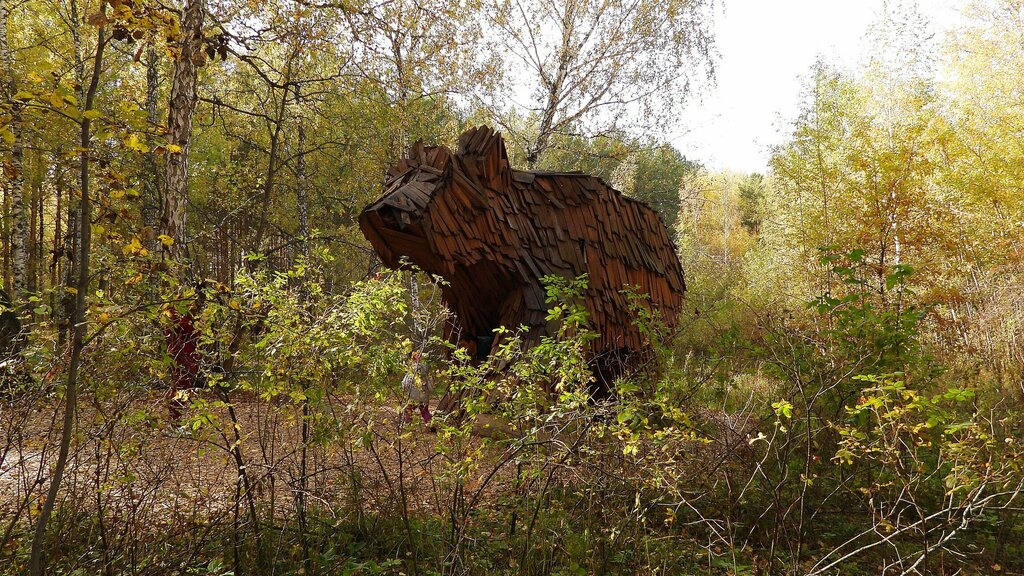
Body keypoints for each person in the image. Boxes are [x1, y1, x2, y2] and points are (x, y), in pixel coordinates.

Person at [164, 298, 204, 423]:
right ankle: (175, 422)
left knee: (184, 387)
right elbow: (186, 331)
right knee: (180, 387)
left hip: (188, 357)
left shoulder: (186, 318)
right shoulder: (175, 318)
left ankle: (177, 420)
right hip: (180, 357)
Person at [402, 351, 433, 424]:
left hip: (413, 395)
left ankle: (408, 425)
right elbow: (430, 380)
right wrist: (430, 390)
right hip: (424, 393)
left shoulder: (412, 369)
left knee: (409, 410)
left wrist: (404, 387)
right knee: (425, 411)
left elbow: (406, 381)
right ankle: (431, 424)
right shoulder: (426, 369)